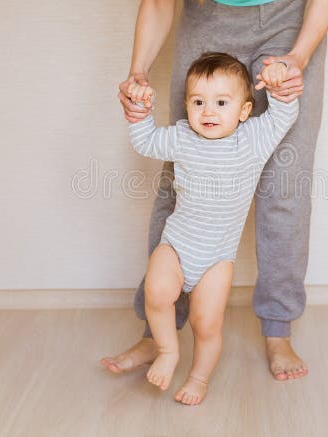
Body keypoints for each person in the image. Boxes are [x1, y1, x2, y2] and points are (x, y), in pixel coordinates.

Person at [102, 0, 328, 381]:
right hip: (207, 19)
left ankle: (277, 328)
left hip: (290, 20)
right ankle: (158, 332)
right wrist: (137, 72)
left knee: (284, 184)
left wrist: (297, 57)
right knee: (182, 178)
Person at [126, 52, 296, 404]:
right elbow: (146, 141)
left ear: (244, 111)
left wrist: (278, 82)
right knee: (156, 293)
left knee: (207, 325)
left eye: (221, 102)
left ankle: (199, 378)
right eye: (198, 102)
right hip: (176, 244)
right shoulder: (184, 136)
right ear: (186, 105)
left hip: (217, 257)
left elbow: (284, 114)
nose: (208, 111)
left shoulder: (253, 140)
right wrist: (140, 112)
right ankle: (167, 350)